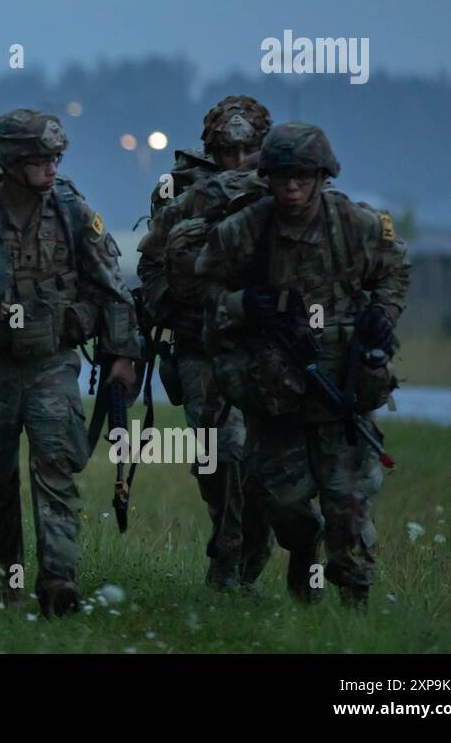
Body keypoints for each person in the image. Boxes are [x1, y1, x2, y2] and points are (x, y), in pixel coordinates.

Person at [0, 109, 141, 617]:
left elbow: (111, 286)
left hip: (51, 363)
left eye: (56, 158)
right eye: (40, 159)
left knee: (56, 465)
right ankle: (3, 580)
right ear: (11, 161)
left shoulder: (72, 212)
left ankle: (59, 581)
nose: (51, 168)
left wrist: (123, 355)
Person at [196, 122, 409, 607]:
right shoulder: (244, 231)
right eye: (283, 177)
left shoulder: (355, 226)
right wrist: (246, 304)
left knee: (349, 507)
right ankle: (301, 547)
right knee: (285, 506)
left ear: (321, 177)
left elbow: (395, 270)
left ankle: (355, 609)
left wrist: (382, 313)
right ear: (267, 177)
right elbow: (202, 291)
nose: (292, 187)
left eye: (303, 177)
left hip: (343, 389)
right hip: (276, 396)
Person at [136, 95, 275, 590]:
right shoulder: (180, 190)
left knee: (262, 465)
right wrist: (165, 310)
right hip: (200, 344)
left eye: (247, 151)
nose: (237, 162)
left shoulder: (286, 187)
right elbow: (151, 260)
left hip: (266, 345)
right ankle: (227, 551)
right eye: (227, 152)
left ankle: (244, 559)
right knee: (217, 456)